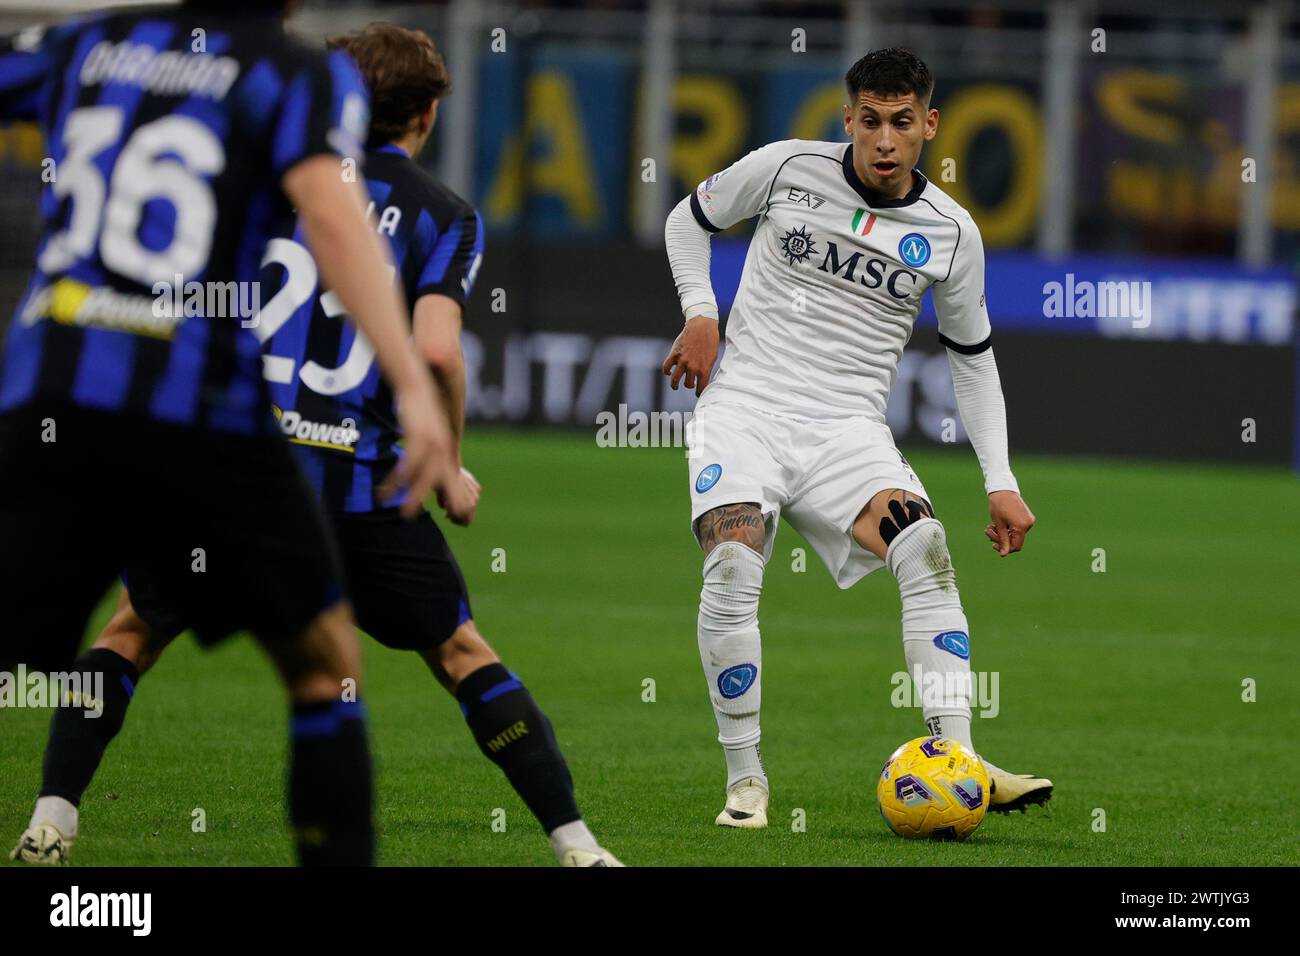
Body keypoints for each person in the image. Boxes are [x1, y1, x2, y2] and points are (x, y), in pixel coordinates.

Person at [11, 22, 621, 868]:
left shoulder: (256, 174)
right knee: (455, 653)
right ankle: (579, 846)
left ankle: (51, 821)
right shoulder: (444, 215)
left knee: (130, 633)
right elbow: (439, 350)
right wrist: (445, 451)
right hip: (359, 484)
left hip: (223, 461)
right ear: (431, 113)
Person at [661, 47, 1052, 829]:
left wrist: (999, 480)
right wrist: (703, 312)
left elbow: (973, 361)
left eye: (901, 123)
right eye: (869, 121)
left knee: (928, 549)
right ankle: (746, 781)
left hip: (847, 431)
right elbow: (688, 219)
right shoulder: (784, 167)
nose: (883, 139)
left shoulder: (951, 233)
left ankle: (959, 764)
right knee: (735, 564)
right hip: (746, 410)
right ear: (848, 120)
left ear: (928, 127)